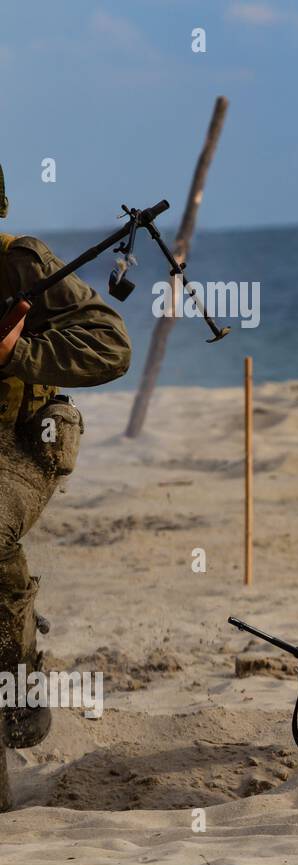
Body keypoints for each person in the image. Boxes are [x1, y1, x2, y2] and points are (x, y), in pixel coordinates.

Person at [0, 163, 132, 810]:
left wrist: (17, 356)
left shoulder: (21, 263)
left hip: (24, 445)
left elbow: (110, 344)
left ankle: (20, 675)